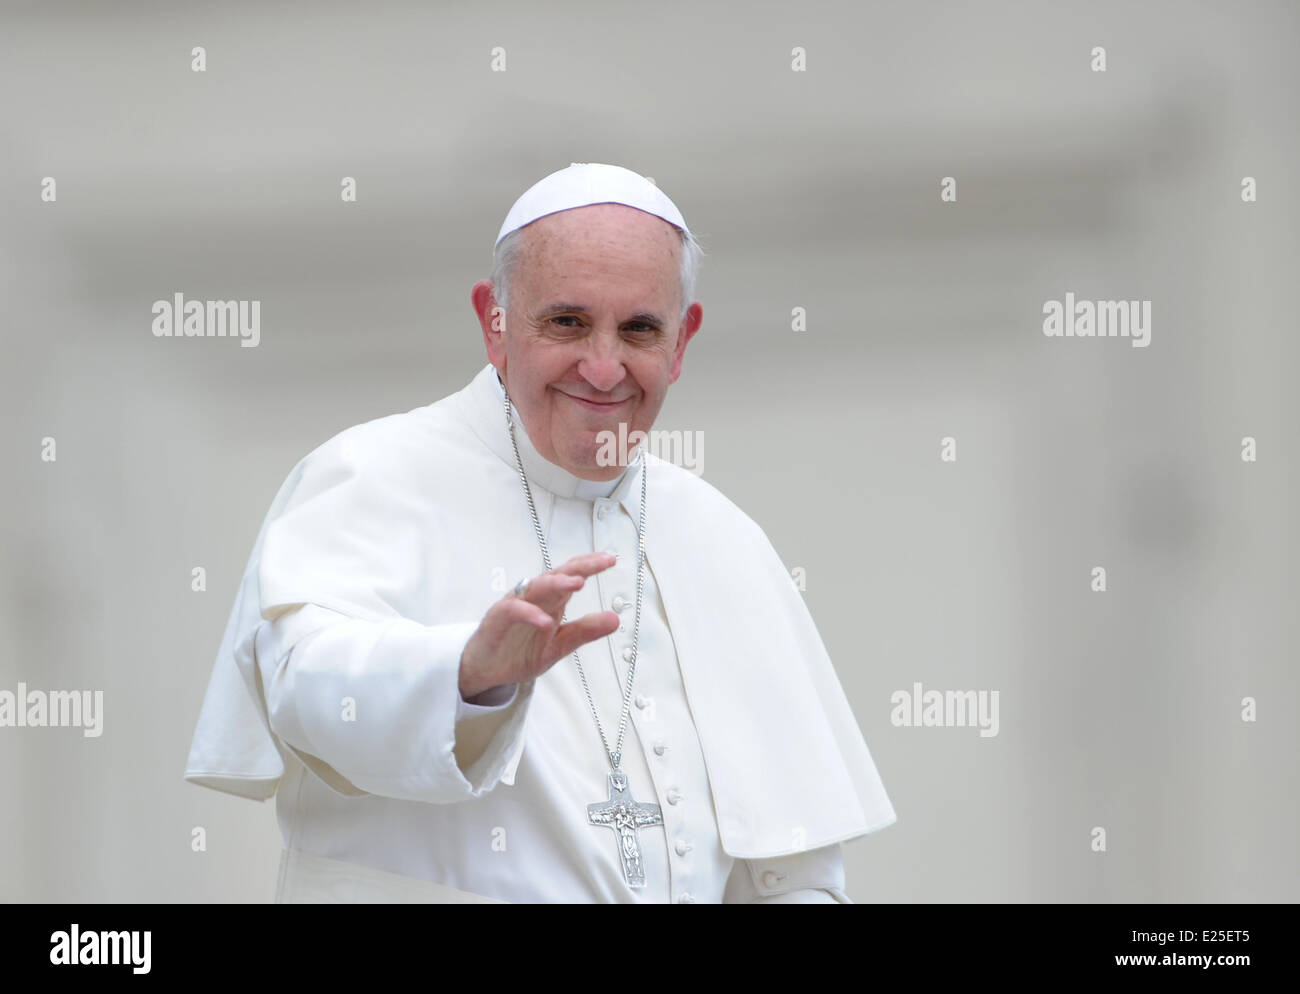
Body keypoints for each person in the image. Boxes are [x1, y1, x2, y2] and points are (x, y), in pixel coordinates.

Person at [185, 162, 897, 903]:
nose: (602, 367)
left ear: (682, 341)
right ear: (493, 322)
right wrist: (465, 674)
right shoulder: (372, 475)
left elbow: (794, 867)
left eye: (640, 330)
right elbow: (302, 687)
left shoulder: (723, 537)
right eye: (567, 322)